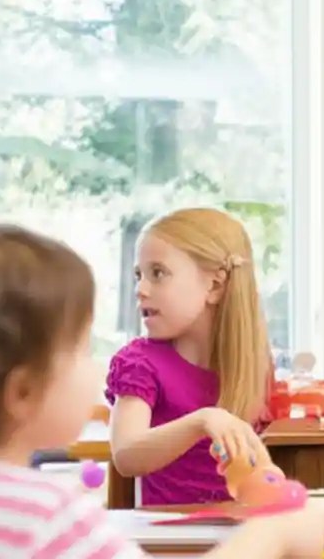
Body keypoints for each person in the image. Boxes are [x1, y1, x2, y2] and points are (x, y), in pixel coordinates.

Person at [0, 220, 324, 558]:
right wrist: (271, 539)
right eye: (79, 348)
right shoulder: (47, 511)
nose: (97, 366)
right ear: (22, 392)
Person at [106, 207, 274, 505]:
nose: (140, 289)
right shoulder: (139, 363)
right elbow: (126, 455)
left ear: (215, 285)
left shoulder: (252, 366)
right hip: (170, 543)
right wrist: (201, 421)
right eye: (138, 275)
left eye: (158, 273)